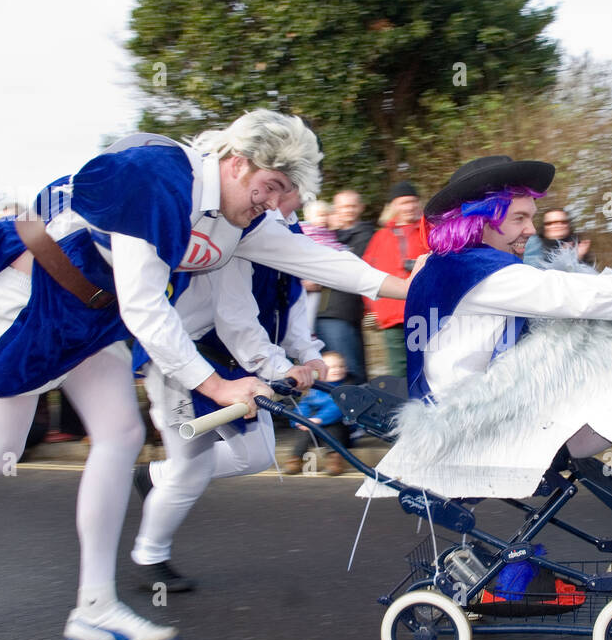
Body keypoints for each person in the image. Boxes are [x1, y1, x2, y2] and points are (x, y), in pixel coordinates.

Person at [0, 109, 346, 640]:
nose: (274, 209)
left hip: (89, 316)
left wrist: (403, 285)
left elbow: (312, 265)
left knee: (119, 435)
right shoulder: (160, 180)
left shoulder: (218, 209)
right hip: (25, 297)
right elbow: (149, 307)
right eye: (273, 189)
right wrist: (217, 385)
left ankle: (94, 609)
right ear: (239, 164)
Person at [385, 155, 612, 601]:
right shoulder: (481, 273)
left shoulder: (443, 263)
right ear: (480, 219)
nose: (530, 230)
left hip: (475, 421)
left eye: (532, 218)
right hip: (476, 437)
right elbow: (580, 297)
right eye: (519, 218)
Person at [128, 187, 406, 592]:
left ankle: (157, 476)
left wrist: (310, 355)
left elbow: (290, 306)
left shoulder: (286, 235)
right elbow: (235, 320)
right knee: (193, 466)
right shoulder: (238, 232)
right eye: (280, 186)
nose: (283, 197)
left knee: (256, 455)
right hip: (184, 358)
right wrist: (278, 367)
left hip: (237, 363)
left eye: (290, 188)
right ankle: (149, 554)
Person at [361, 181, 427, 376]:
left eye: (413, 201)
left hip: (424, 309)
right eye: (403, 202)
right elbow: (367, 272)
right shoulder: (380, 237)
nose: (409, 207)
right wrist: (372, 308)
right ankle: (403, 406)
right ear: (393, 207)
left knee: (427, 364)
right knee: (399, 369)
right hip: (392, 314)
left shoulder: (430, 231)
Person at [313, 190, 374, 383]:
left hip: (345, 309)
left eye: (352, 206)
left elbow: (353, 265)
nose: (347, 211)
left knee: (349, 370)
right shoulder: (326, 234)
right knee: (338, 370)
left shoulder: (367, 235)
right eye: (342, 207)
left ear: (361, 208)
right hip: (328, 311)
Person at [280, 351, 352, 476]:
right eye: (330, 368)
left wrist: (318, 419)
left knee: (334, 427)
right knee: (303, 428)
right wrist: (299, 420)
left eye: (340, 366)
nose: (337, 370)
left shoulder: (346, 388)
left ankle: (334, 459)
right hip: (315, 432)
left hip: (340, 432)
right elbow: (304, 405)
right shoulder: (314, 388)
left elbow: (337, 408)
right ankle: (296, 458)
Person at [298, 199, 337, 336]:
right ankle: (306, 332)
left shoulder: (328, 233)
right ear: (309, 217)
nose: (323, 219)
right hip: (305, 272)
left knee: (314, 302)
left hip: (318, 277)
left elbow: (334, 248)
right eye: (319, 215)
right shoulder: (306, 230)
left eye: (325, 215)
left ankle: (309, 332)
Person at [523, 208, 593, 267]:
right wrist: (571, 259)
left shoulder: (579, 247)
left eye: (563, 222)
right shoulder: (531, 245)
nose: (557, 225)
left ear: (569, 225)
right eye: (550, 223)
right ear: (543, 227)